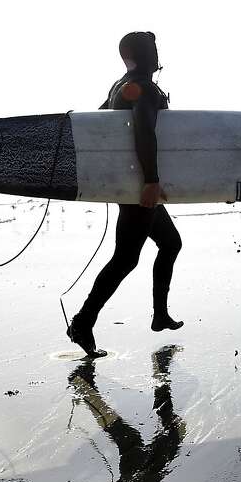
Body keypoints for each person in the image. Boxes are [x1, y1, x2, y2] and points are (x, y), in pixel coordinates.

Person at [67, 32, 183, 357]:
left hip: (130, 183)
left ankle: (160, 315)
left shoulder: (121, 86)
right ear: (132, 54)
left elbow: (101, 124)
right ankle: (83, 322)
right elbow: (144, 131)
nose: (155, 52)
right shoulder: (142, 87)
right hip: (140, 185)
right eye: (150, 48)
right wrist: (151, 180)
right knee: (125, 258)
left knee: (170, 243)